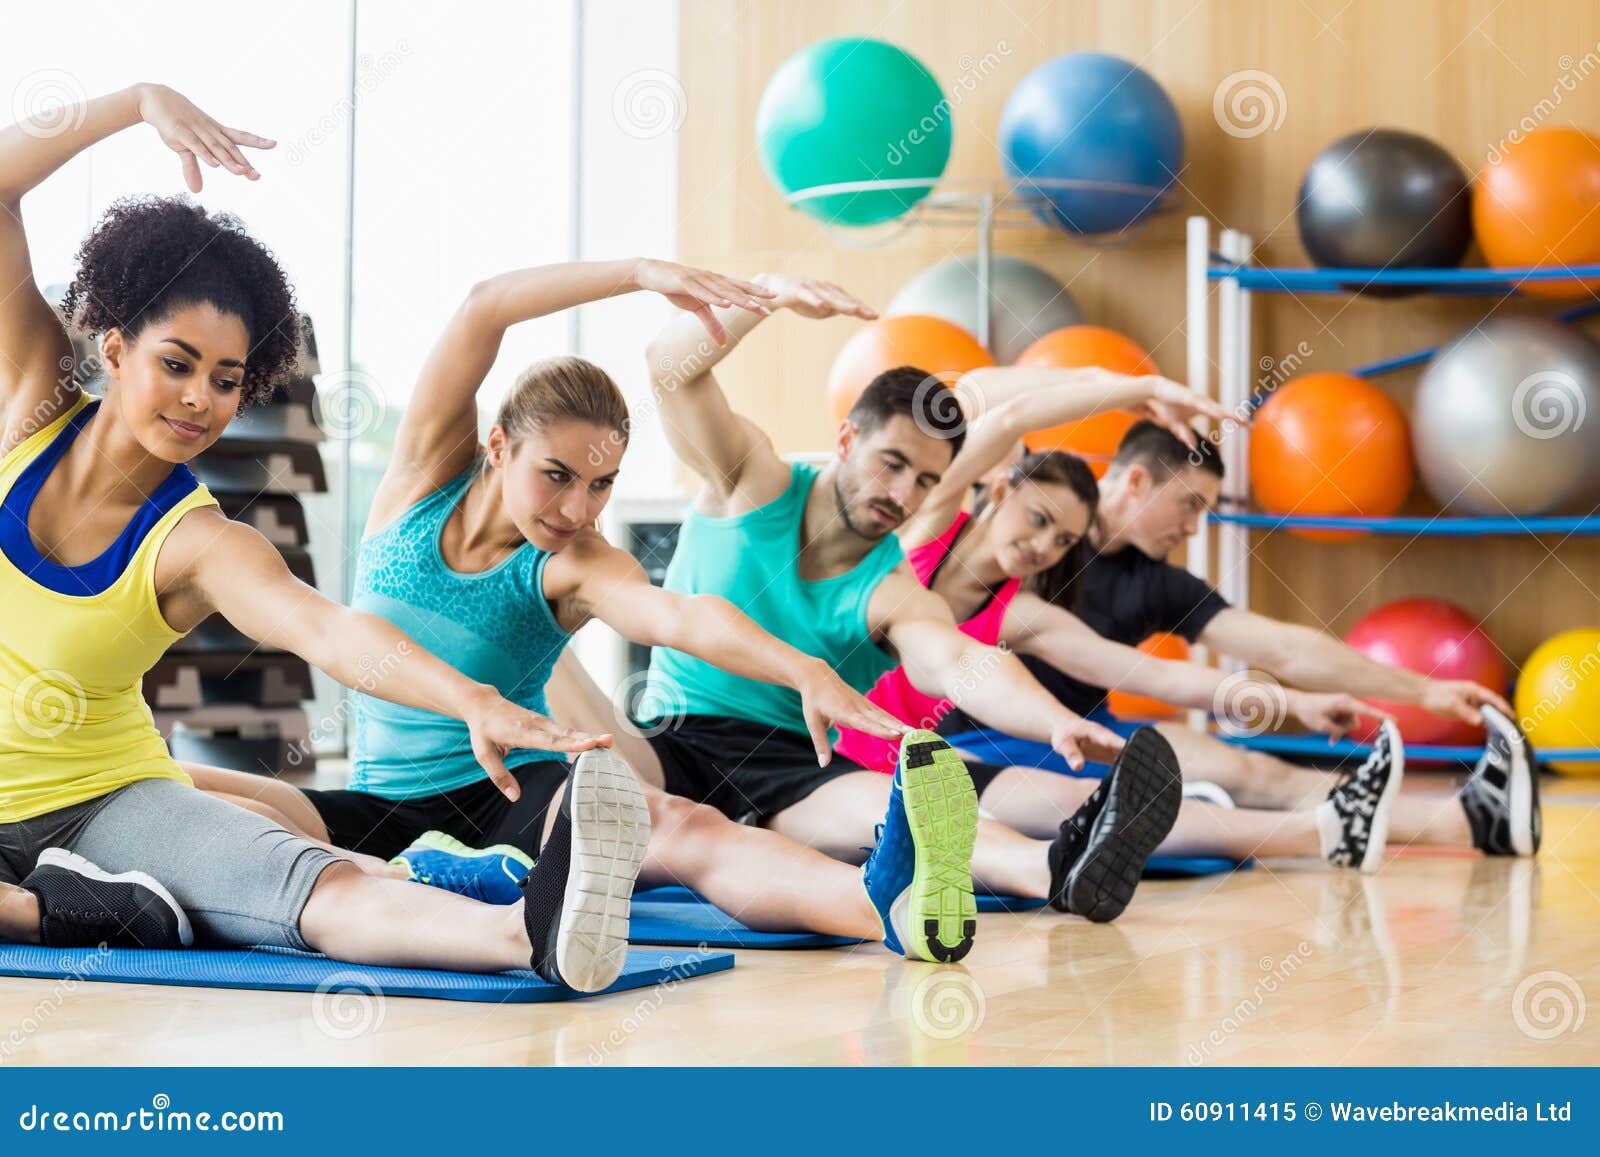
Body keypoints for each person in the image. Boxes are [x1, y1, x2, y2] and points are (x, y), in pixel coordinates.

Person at [0, 81, 699, 993]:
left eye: (225, 379)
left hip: (110, 801)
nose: (200, 400)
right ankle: (62, 908)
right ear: (117, 345)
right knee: (284, 816)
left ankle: (527, 925)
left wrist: (471, 698)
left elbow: (332, 633)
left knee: (308, 882)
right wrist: (137, 103)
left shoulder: (200, 542)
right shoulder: (31, 407)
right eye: (177, 364)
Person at [183, 254, 983, 964]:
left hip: (511, 796)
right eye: (558, 474)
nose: (578, 507)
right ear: (498, 447)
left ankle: (891, 904)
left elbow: (682, 618)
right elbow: (484, 303)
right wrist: (639, 273)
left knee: (675, 824)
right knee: (194, 790)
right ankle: (432, 872)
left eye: (602, 484)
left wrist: (801, 666)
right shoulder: (422, 474)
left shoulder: (575, 561)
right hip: (379, 798)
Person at [590, 273, 1406, 933]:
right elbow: (669, 366)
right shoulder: (751, 480)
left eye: (920, 478)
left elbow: (963, 661)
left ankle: (1061, 873)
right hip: (672, 740)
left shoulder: (894, 587)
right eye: (888, 465)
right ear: (846, 441)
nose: (901, 493)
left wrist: (1050, 720)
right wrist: (760, 297)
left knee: (932, 811)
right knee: (555, 643)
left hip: (795, 769)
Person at [825, 362, 1409, 882]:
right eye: (1038, 519)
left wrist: (1290, 704)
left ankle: (1330, 831)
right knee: (1018, 817)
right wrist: (1138, 387)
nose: (1042, 547)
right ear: (1001, 489)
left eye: (1064, 541)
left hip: (915, 765)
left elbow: (1155, 678)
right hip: (833, 759)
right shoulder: (921, 531)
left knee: (1091, 801)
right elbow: (1012, 415)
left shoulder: (1021, 615)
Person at [939, 417, 1538, 858]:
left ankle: (1470, 819)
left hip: (1085, 733)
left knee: (1255, 771)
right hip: (993, 742)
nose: (1194, 525)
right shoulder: (1023, 533)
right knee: (1209, 779)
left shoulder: (1157, 583)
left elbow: (1281, 648)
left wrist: (1423, 693)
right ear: (1139, 481)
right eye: (1189, 503)